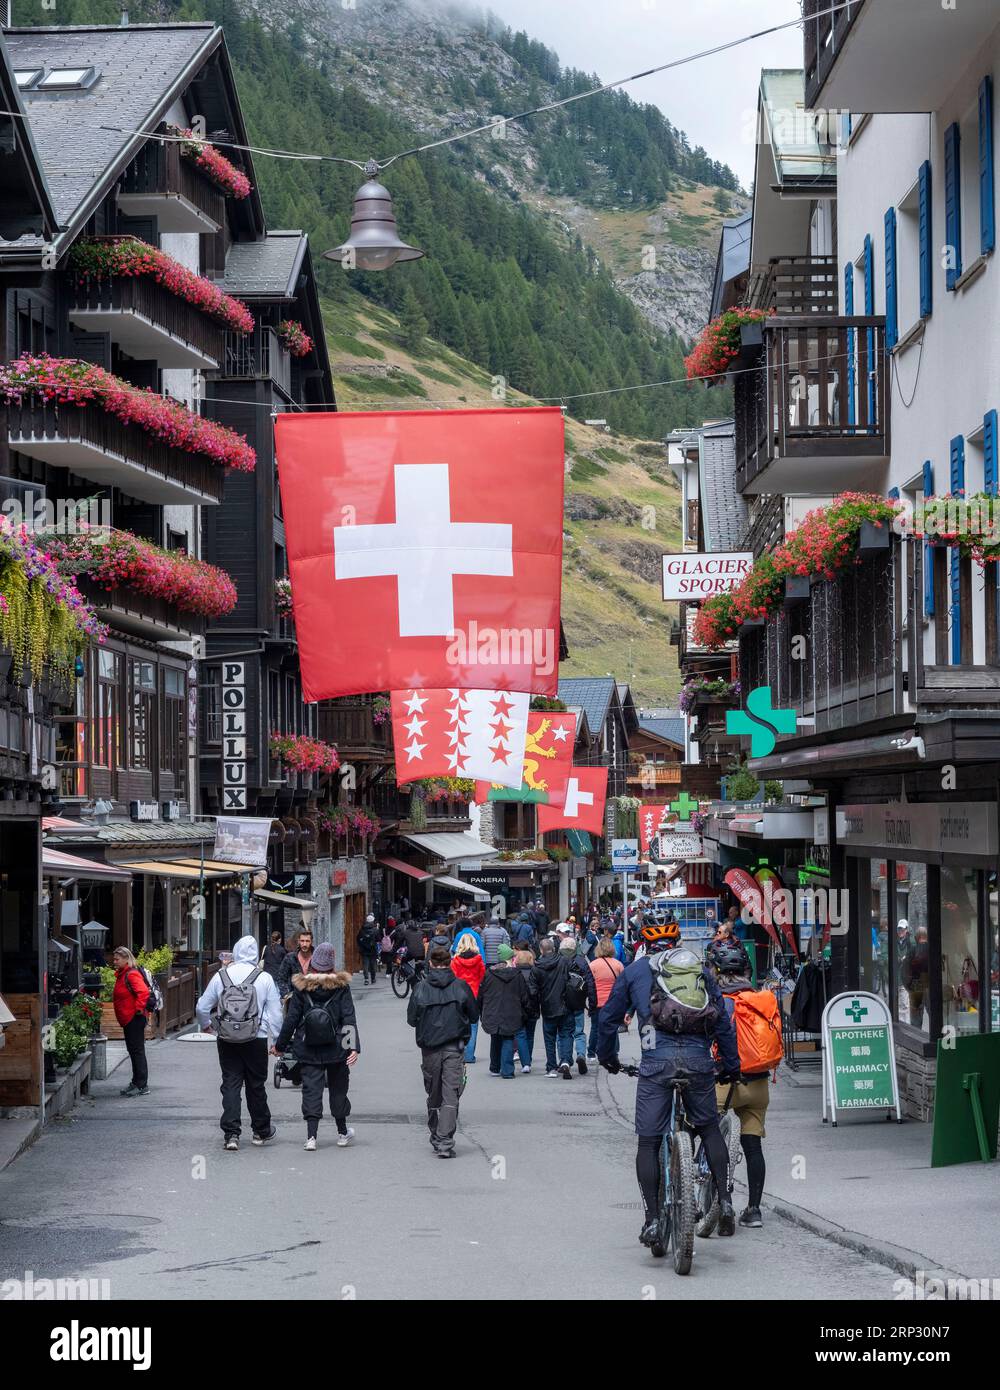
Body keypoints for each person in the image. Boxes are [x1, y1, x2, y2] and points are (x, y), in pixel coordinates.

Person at [598, 917, 742, 1251]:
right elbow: (722, 1022)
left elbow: (607, 1020)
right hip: (698, 1060)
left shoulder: (634, 973)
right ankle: (726, 1200)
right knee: (707, 1127)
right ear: (677, 939)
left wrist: (608, 1057)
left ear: (642, 940)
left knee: (648, 1142)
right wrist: (730, 1066)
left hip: (656, 1063)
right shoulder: (698, 971)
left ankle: (651, 1219)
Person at [706, 938, 775, 1230]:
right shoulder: (761, 999)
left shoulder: (716, 1003)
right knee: (753, 1146)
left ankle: (721, 1203)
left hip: (723, 1081)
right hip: (758, 1083)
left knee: (707, 1138)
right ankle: (755, 1210)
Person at [196, 935, 284, 1151]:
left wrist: (207, 1026)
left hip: (226, 1037)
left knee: (231, 1083)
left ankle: (231, 1134)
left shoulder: (221, 975)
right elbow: (275, 1014)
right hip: (257, 1037)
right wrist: (278, 1042)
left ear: (235, 951)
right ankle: (261, 1131)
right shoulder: (264, 978)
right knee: (256, 1084)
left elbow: (201, 1006)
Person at [273, 942, 359, 1151]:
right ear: (331, 963)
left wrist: (280, 1045)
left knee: (311, 1089)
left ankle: (311, 1137)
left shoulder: (302, 987)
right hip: (336, 1047)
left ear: (313, 964)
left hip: (308, 1046)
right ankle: (341, 1132)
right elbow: (348, 1017)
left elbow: (292, 1018)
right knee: (338, 1088)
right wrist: (353, 1047)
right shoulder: (341, 986)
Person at [407, 945, 479, 1157]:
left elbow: (411, 1019)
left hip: (429, 1048)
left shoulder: (420, 988)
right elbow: (474, 1015)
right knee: (450, 1094)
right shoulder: (461, 987)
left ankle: (438, 1134)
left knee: (434, 1092)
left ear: (430, 963)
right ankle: (444, 1140)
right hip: (454, 1047)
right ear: (449, 963)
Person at [479, 944, 528, 1078]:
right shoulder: (517, 975)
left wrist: (481, 1011)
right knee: (508, 1038)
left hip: (492, 1010)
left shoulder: (489, 973)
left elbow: (482, 994)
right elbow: (524, 995)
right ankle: (507, 1070)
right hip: (512, 1011)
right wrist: (525, 1011)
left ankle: (495, 1067)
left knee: (495, 1037)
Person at [531, 937, 575, 1078]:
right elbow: (571, 979)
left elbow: (533, 990)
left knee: (549, 1038)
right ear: (553, 948)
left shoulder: (537, 967)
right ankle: (566, 1060)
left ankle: (551, 1067)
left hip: (547, 1006)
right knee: (566, 1034)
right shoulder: (563, 961)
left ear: (541, 950)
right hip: (565, 1003)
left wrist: (535, 1007)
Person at [112, 947, 151, 1098]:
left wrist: (139, 1009)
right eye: (114, 959)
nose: (114, 962)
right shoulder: (123, 974)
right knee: (134, 1051)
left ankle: (142, 1085)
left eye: (117, 959)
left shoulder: (131, 974)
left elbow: (143, 992)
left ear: (126, 959)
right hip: (129, 1018)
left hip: (134, 1017)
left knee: (137, 1051)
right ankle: (136, 1082)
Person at [559, 929, 596, 1074]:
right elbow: (591, 984)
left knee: (564, 1033)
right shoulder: (581, 962)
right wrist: (592, 1004)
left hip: (563, 1003)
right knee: (579, 1032)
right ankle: (581, 1054)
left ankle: (565, 1060)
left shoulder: (558, 961)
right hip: (579, 1002)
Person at [451, 931, 486, 1063]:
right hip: (474, 995)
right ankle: (469, 1055)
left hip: (458, 995)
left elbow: (452, 978)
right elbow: (482, 977)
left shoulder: (455, 961)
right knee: (473, 1024)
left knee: (458, 1024)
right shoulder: (479, 961)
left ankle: (459, 1053)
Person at [587, 938, 624, 1062]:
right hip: (613, 1002)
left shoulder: (592, 965)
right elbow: (623, 984)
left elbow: (589, 984)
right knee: (613, 1027)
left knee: (595, 1027)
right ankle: (614, 1051)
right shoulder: (618, 964)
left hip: (597, 1001)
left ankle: (591, 1053)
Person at [512, 947, 540, 1073]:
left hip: (518, 1008)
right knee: (530, 1035)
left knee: (520, 1035)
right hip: (533, 1007)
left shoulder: (513, 973)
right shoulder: (536, 972)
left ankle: (526, 1062)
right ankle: (528, 1058)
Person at [278, 928, 314, 998]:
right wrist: (286, 994)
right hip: (294, 999)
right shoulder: (290, 958)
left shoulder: (316, 957)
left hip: (313, 1000)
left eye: (307, 941)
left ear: (311, 942)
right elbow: (281, 978)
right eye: (302, 941)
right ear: (298, 942)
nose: (304, 944)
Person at [357, 914, 380, 986]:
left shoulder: (362, 929)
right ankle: (373, 979)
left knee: (365, 964)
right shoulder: (375, 930)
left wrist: (361, 946)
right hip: (373, 949)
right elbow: (379, 939)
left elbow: (358, 938)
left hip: (364, 949)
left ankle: (366, 979)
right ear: (373, 921)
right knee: (373, 964)